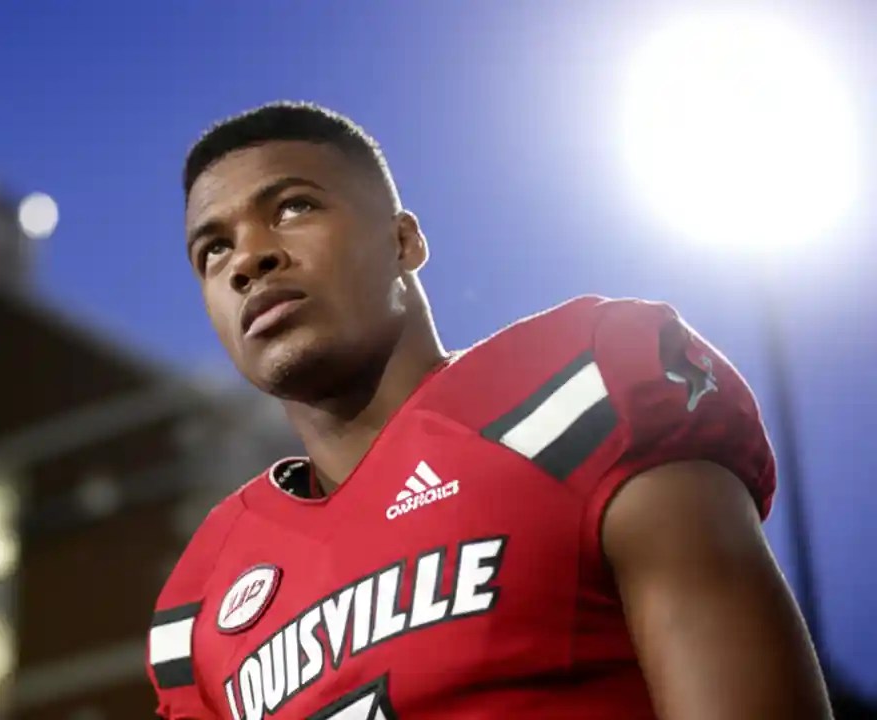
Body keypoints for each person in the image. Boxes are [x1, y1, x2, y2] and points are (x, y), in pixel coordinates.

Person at [146, 102, 830, 719]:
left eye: (294, 207)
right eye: (214, 249)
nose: (248, 259)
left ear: (403, 241)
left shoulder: (577, 388)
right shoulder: (205, 593)